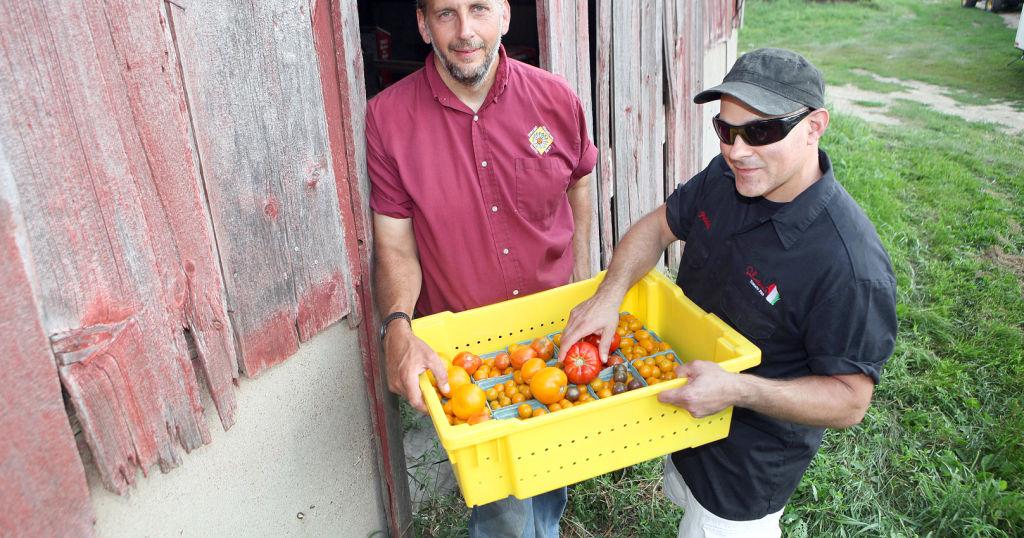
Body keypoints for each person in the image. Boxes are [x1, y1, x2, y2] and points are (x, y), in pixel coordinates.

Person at [557, 48, 897, 537]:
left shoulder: (850, 265)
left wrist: (736, 389)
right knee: (682, 496)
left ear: (814, 126)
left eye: (760, 131)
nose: (737, 150)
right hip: (684, 411)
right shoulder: (728, 177)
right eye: (725, 130)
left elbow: (849, 401)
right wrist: (608, 296)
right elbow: (655, 228)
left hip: (746, 464)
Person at [365, 0, 597, 535]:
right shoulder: (389, 119)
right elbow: (395, 246)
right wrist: (397, 325)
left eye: (479, 9)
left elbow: (580, 180)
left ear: (506, 17)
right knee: (501, 511)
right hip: (471, 357)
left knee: (550, 469)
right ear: (422, 25)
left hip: (554, 332)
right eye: (445, 14)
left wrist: (586, 283)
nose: (465, 32)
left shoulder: (556, 99)